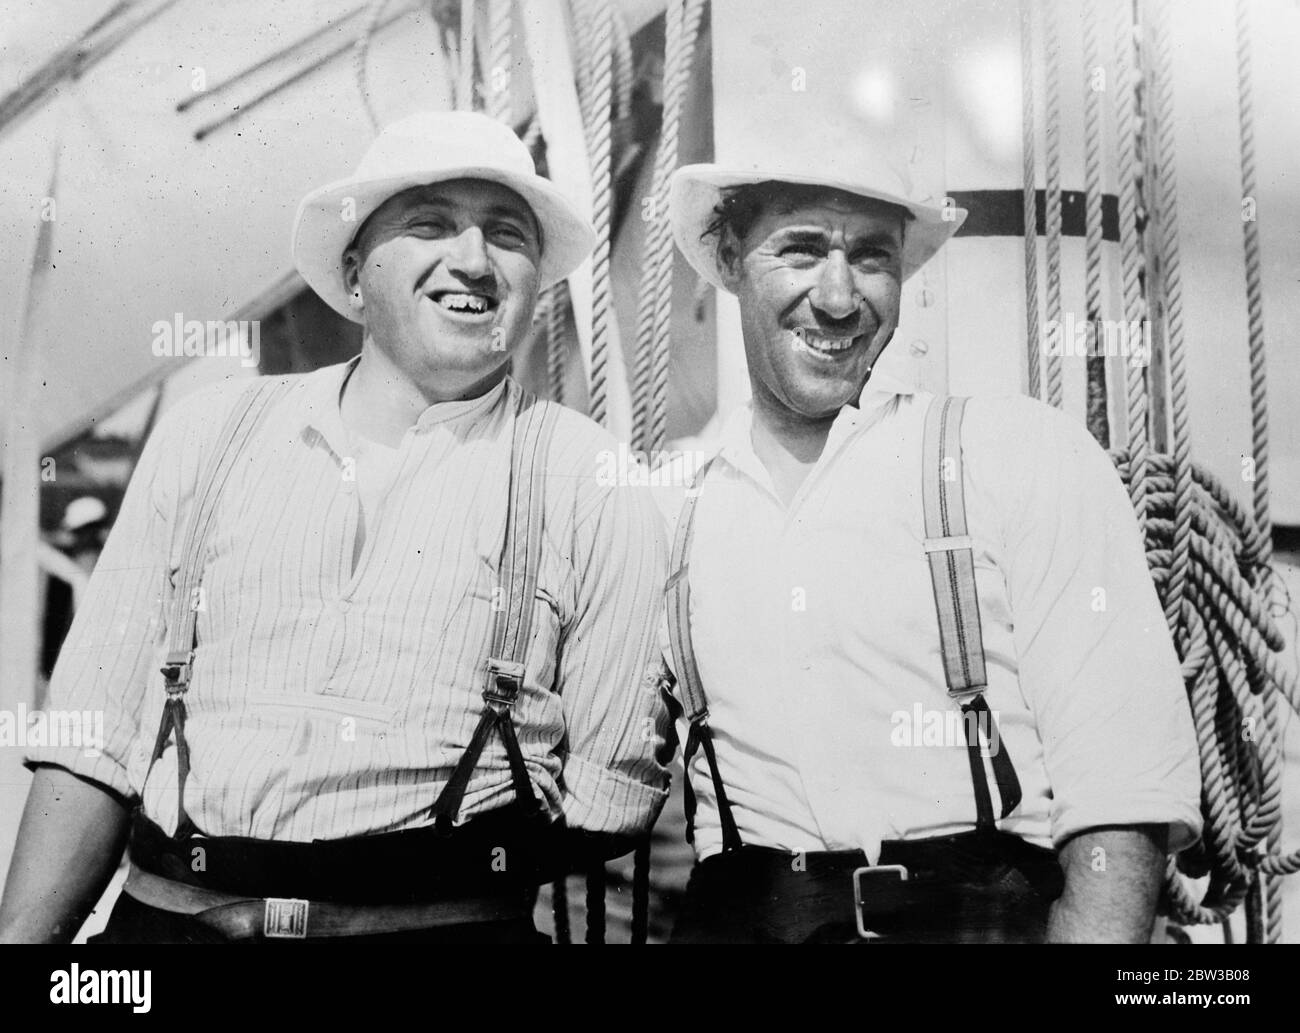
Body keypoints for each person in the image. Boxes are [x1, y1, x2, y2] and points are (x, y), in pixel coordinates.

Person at [0, 111, 672, 944]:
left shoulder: (593, 481)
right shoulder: (211, 433)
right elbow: (93, 743)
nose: (472, 259)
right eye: (430, 224)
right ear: (355, 275)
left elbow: (610, 798)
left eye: (507, 234)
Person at [659, 147, 1202, 944]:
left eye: (872, 255)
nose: (839, 298)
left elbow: (1122, 788)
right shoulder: (672, 512)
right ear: (733, 259)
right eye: (802, 248)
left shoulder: (1014, 452)